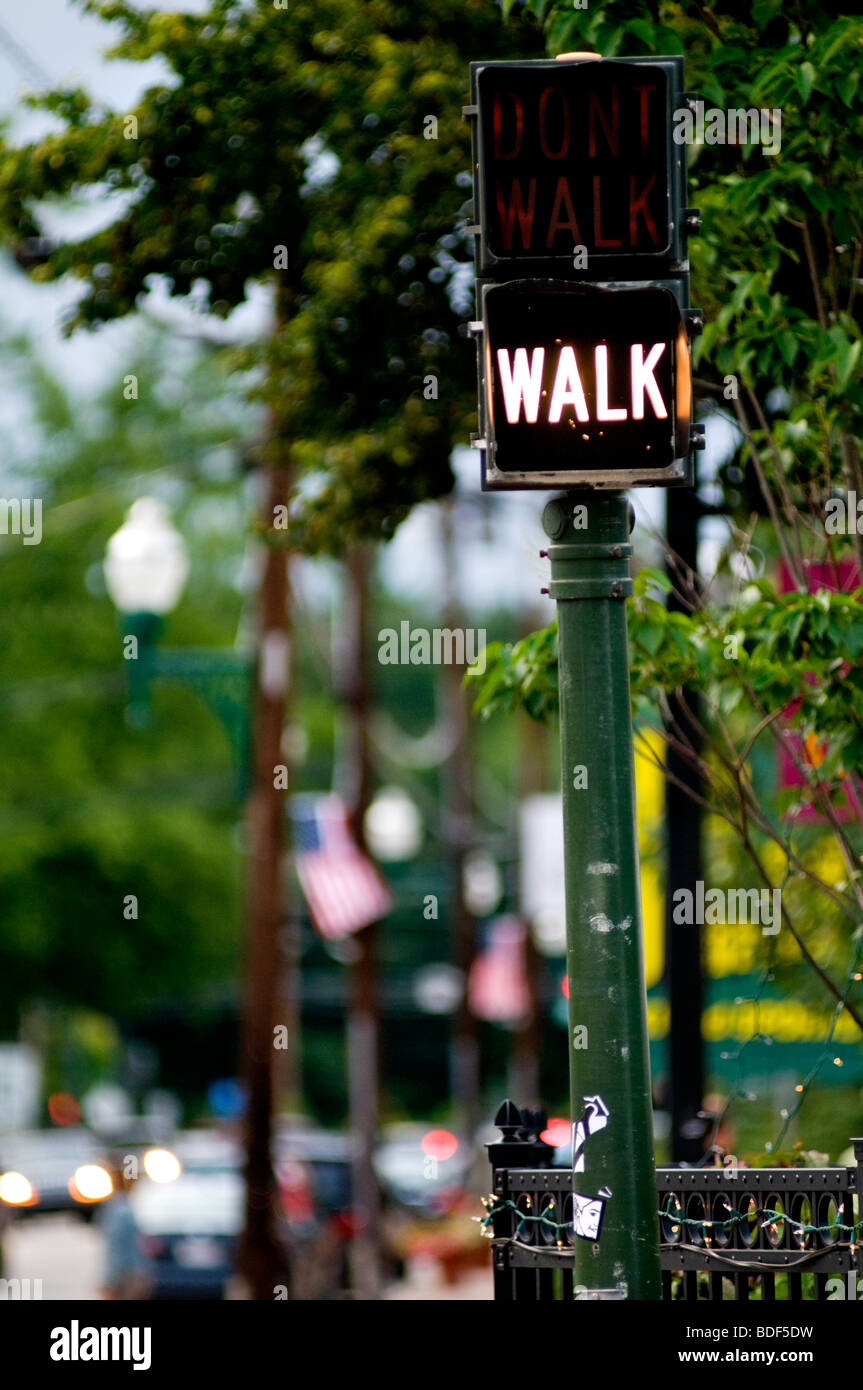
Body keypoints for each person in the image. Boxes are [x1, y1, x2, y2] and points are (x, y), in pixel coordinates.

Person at [97, 1160, 151, 1300]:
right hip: (124, 1276)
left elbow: (118, 1248)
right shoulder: (120, 1208)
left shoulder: (119, 1209)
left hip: (124, 1277)